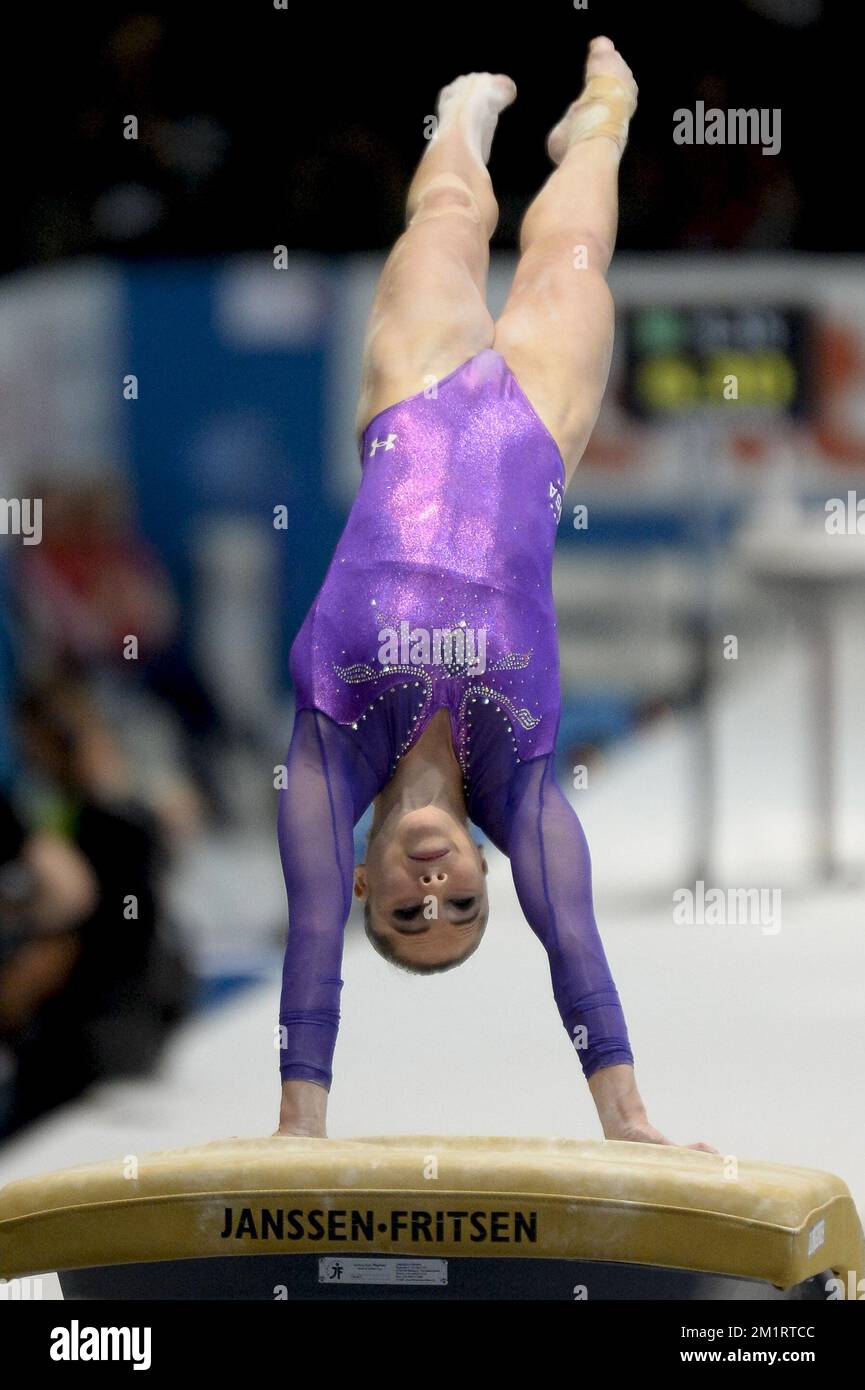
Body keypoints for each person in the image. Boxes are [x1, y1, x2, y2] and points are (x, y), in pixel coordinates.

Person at [276, 38, 714, 1151]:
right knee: (568, 250)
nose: (436, 889)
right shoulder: (518, 784)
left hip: (411, 398)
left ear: (363, 874)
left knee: (447, 227)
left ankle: (462, 113)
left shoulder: (332, 756)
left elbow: (308, 938)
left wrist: (299, 1124)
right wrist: (626, 1118)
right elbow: (570, 936)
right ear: (484, 869)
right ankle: (598, 126)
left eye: (403, 911)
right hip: (533, 434)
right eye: (463, 909)